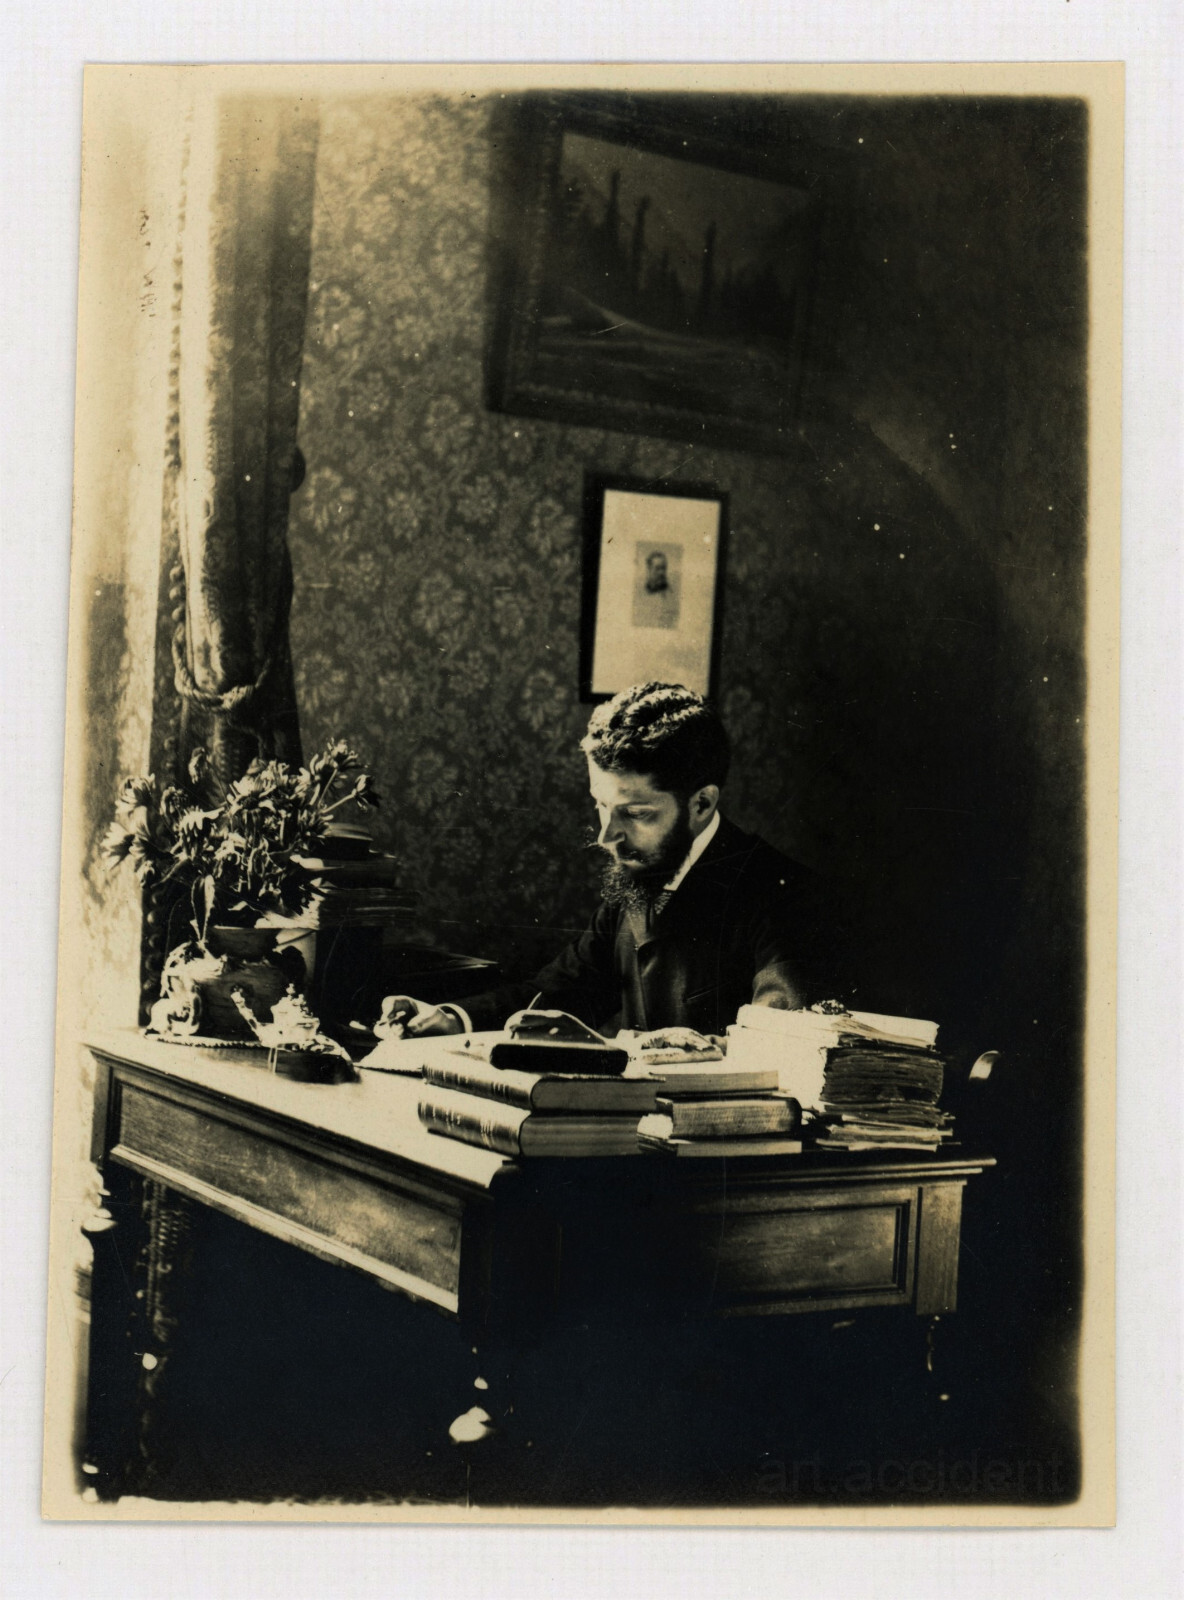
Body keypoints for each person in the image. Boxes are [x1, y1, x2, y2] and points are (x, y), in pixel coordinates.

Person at [381, 681, 844, 1039]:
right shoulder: (637, 879)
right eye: (601, 805)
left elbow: (785, 1039)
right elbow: (557, 991)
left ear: (701, 804)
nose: (607, 835)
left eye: (635, 813)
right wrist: (448, 1018)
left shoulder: (786, 898)